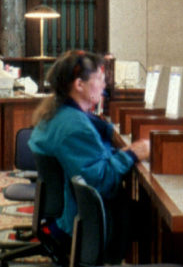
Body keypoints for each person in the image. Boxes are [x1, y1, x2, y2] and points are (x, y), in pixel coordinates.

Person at [28, 49, 148, 242]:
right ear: (79, 85)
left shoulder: (57, 113)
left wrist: (120, 154)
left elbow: (90, 162)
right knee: (154, 219)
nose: (104, 85)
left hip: (66, 213)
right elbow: (101, 182)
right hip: (81, 221)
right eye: (99, 78)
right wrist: (131, 155)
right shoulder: (75, 127)